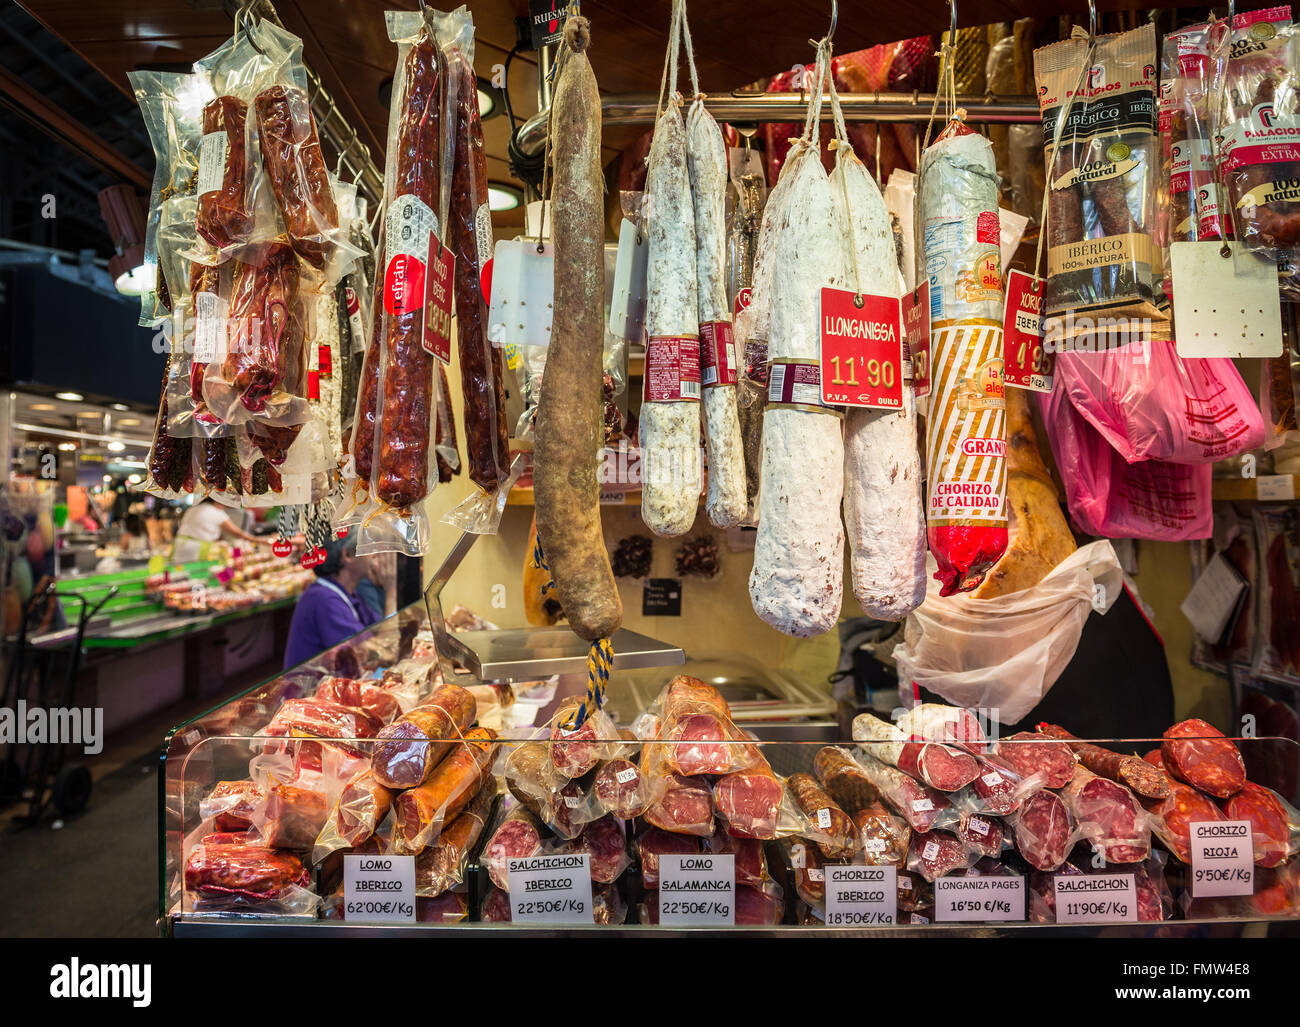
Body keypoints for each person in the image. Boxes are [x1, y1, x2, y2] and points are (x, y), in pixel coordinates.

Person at [283, 528, 397, 669]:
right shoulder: (323, 600)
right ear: (348, 555)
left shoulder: (347, 594)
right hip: (310, 690)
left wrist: (384, 588)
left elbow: (381, 634)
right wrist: (391, 591)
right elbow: (382, 654)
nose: (375, 554)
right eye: (368, 547)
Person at [171, 499, 263, 562]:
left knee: (181, 574)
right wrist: (260, 540)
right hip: (197, 549)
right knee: (197, 575)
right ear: (217, 501)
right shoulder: (217, 512)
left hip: (180, 544)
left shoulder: (193, 508)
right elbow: (237, 533)